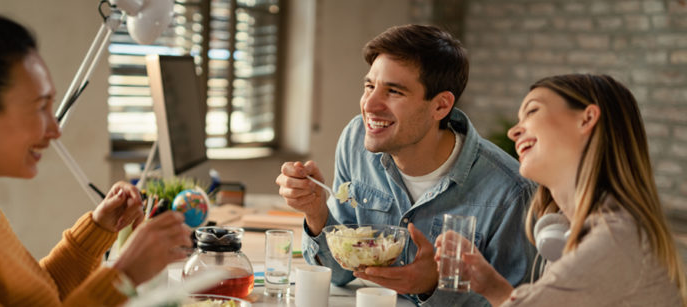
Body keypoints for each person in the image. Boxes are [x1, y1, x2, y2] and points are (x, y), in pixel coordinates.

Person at [0, 4, 192, 306]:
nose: (55, 129)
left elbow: (37, 297)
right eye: (40, 107)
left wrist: (99, 229)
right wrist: (122, 275)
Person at [276, 24, 536, 306]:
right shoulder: (356, 140)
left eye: (394, 92)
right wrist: (316, 213)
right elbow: (338, 273)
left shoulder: (510, 192)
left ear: (440, 106)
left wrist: (434, 286)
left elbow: (519, 302)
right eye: (369, 86)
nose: (370, 104)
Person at [451, 74, 687, 306]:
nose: (514, 131)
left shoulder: (616, 239)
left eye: (532, 111)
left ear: (587, 119)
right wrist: (493, 288)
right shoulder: (588, 235)